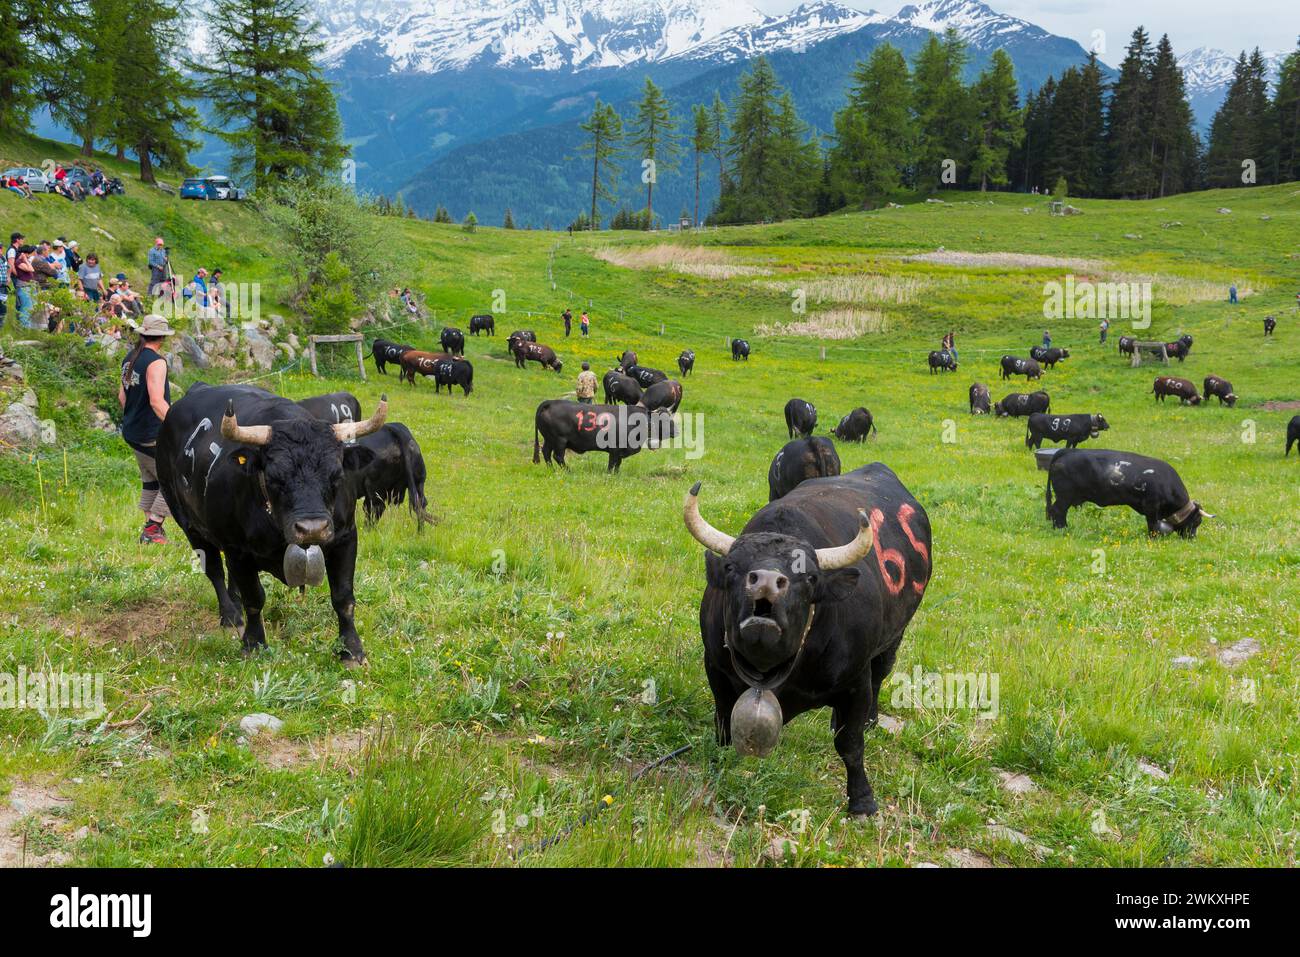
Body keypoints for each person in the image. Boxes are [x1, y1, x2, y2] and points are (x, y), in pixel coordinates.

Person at [118, 314, 175, 545]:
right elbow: (156, 402)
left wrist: (134, 417)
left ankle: (152, 531)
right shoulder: (156, 361)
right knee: (172, 479)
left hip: (132, 431)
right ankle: (153, 528)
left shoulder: (130, 357)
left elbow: (122, 396)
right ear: (161, 337)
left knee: (151, 478)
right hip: (151, 435)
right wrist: (177, 425)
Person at [12, 247, 38, 328]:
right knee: (26, 308)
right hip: (24, 287)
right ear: (23, 253)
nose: (29, 256)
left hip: (29, 287)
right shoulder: (19, 262)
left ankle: (29, 327)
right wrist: (25, 260)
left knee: (31, 308)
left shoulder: (24, 261)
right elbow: (31, 269)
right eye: (27, 254)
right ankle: (24, 327)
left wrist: (26, 260)